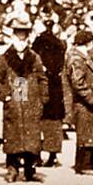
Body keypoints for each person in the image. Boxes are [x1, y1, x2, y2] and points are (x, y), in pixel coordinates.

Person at [0, 17, 48, 182]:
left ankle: (30, 170)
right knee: (13, 136)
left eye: (24, 38)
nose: (21, 42)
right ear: (12, 38)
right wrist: (5, 95)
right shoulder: (5, 58)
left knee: (32, 138)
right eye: (18, 37)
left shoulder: (34, 57)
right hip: (13, 103)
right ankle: (12, 169)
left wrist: (42, 98)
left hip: (31, 103)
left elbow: (42, 79)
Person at [65, 29, 93, 174]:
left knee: (90, 133)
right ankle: (84, 165)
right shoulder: (77, 58)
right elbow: (78, 83)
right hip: (83, 103)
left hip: (85, 102)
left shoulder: (79, 56)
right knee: (85, 134)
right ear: (87, 42)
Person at [31, 18, 67, 166]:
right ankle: (53, 155)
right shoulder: (59, 43)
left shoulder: (38, 42)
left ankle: (36, 155)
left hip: (40, 84)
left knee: (38, 120)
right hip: (55, 86)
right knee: (54, 122)